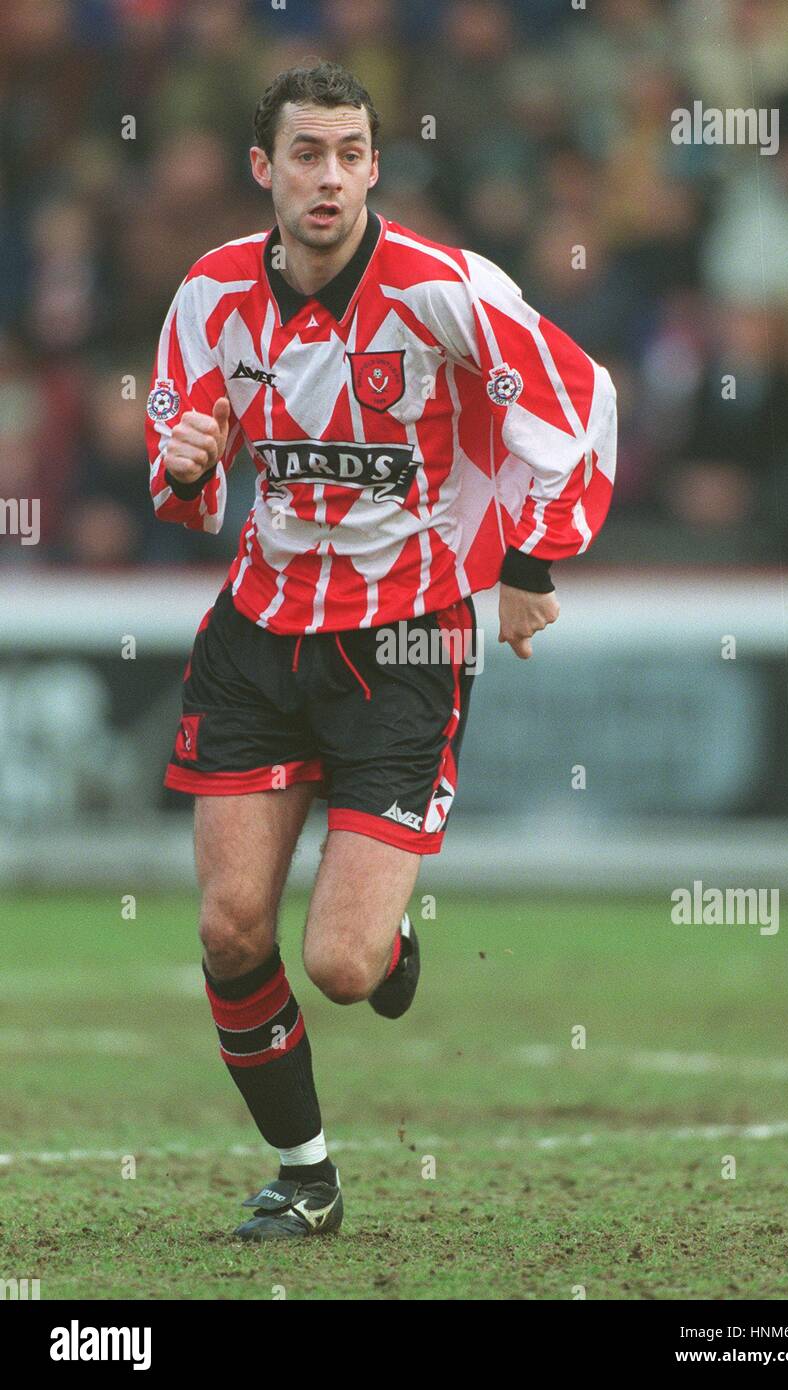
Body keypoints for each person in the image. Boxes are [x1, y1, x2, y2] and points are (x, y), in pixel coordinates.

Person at [145, 60, 616, 1241]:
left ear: (373, 167)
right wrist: (191, 465)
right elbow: (178, 467)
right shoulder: (208, 295)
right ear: (264, 169)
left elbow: (575, 395)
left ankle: (388, 936)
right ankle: (306, 1177)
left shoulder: (442, 289)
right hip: (256, 637)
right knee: (227, 929)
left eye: (351, 152)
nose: (330, 175)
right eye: (306, 152)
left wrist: (530, 558)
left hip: (401, 646)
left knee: (345, 967)